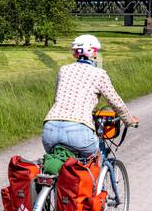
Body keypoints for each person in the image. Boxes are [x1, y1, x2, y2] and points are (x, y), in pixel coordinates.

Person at [42, 34, 139, 164]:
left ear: (75, 53)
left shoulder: (63, 70)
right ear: (93, 52)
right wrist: (129, 120)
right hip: (77, 132)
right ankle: (96, 182)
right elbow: (116, 103)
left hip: (49, 130)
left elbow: (58, 98)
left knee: (59, 163)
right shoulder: (99, 74)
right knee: (96, 155)